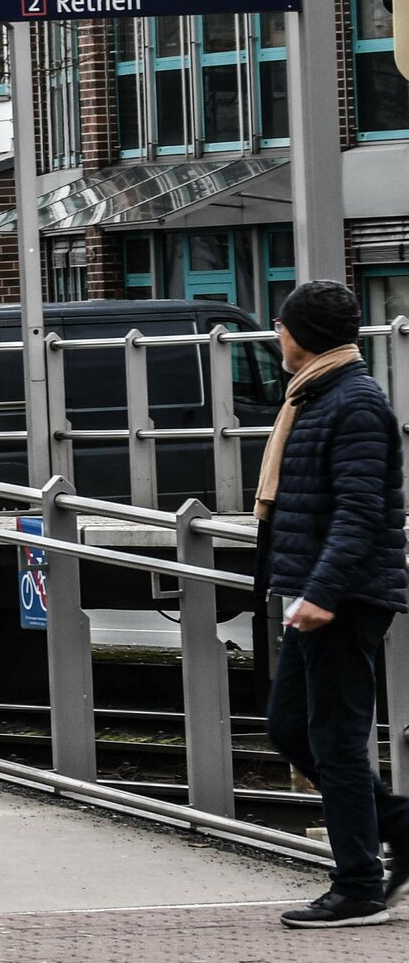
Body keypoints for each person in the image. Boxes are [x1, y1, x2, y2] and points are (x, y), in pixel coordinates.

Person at [257, 280, 409, 928]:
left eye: (283, 323)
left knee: (338, 742)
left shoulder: (354, 404)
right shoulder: (315, 395)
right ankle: (402, 825)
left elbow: (358, 511)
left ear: (304, 335)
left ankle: (358, 886)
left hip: (344, 595)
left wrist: (321, 592)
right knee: (290, 726)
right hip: (320, 589)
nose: (276, 331)